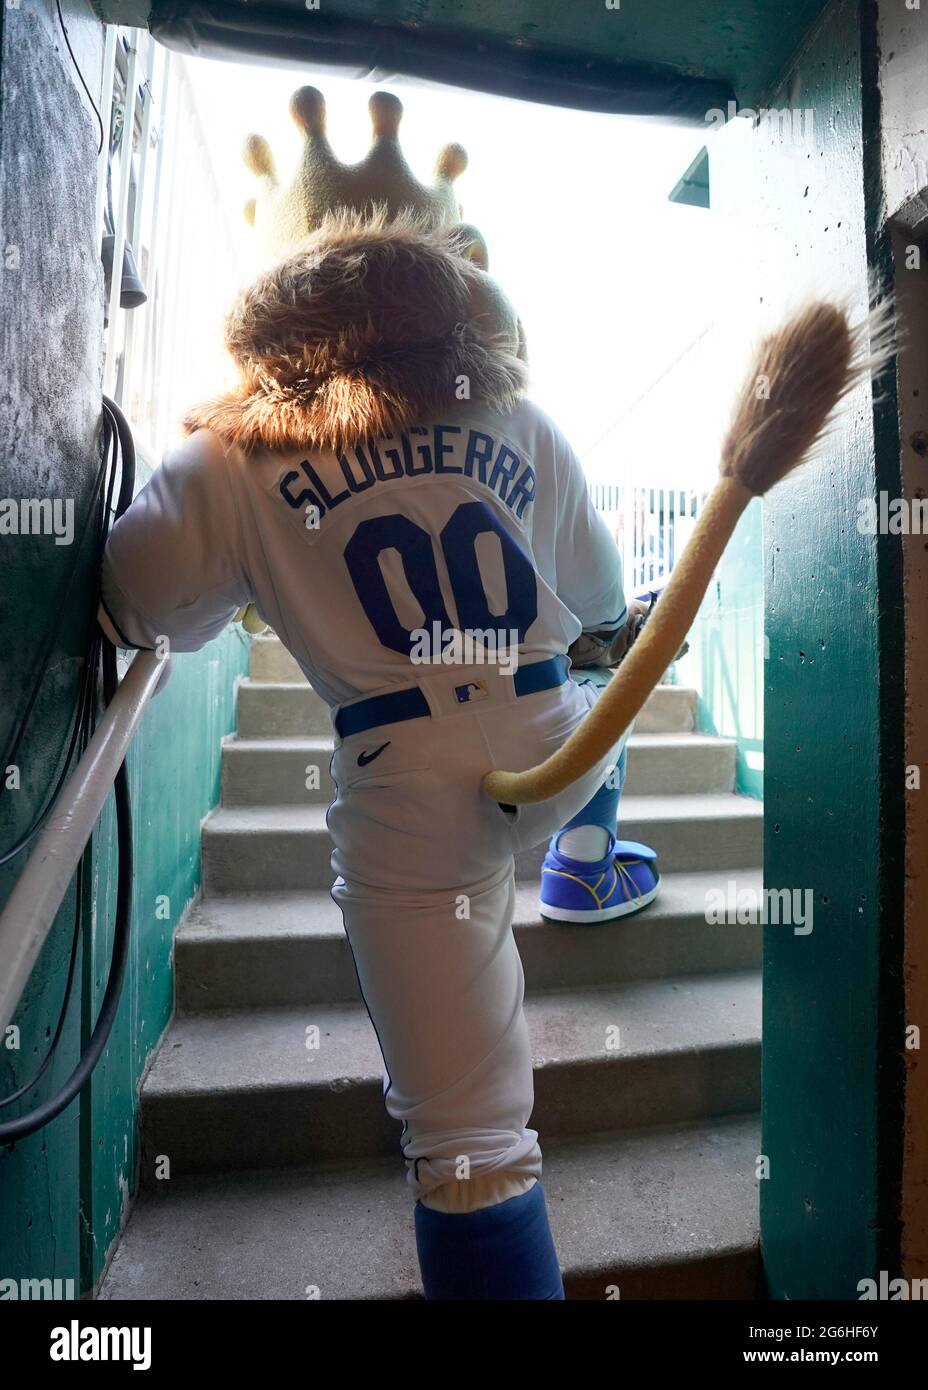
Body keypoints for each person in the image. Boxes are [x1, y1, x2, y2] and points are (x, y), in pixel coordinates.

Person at [97, 213, 660, 1301]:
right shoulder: (518, 414)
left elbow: (135, 603)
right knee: (609, 685)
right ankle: (584, 861)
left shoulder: (233, 450)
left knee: (472, 1148)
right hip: (557, 736)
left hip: (409, 788)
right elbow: (599, 604)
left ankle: (574, 869)